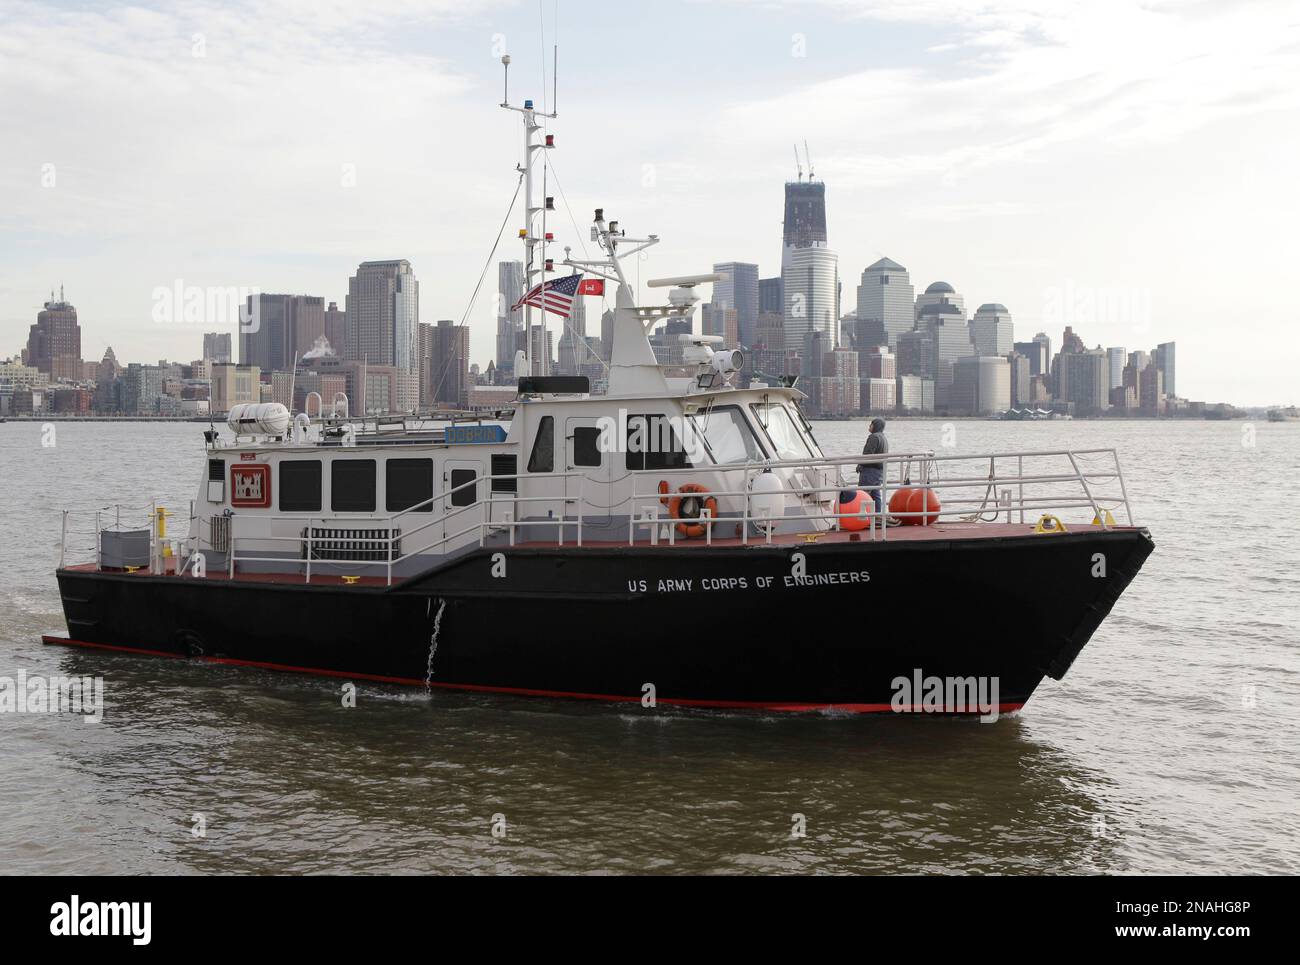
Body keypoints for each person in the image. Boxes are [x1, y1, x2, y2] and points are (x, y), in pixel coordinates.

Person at [856, 417, 889, 514]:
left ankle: (863, 517)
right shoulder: (883, 437)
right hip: (879, 472)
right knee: (876, 494)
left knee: (863, 494)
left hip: (869, 471)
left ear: (876, 426)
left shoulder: (874, 437)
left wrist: (860, 465)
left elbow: (867, 454)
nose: (869, 426)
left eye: (871, 424)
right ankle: (878, 515)